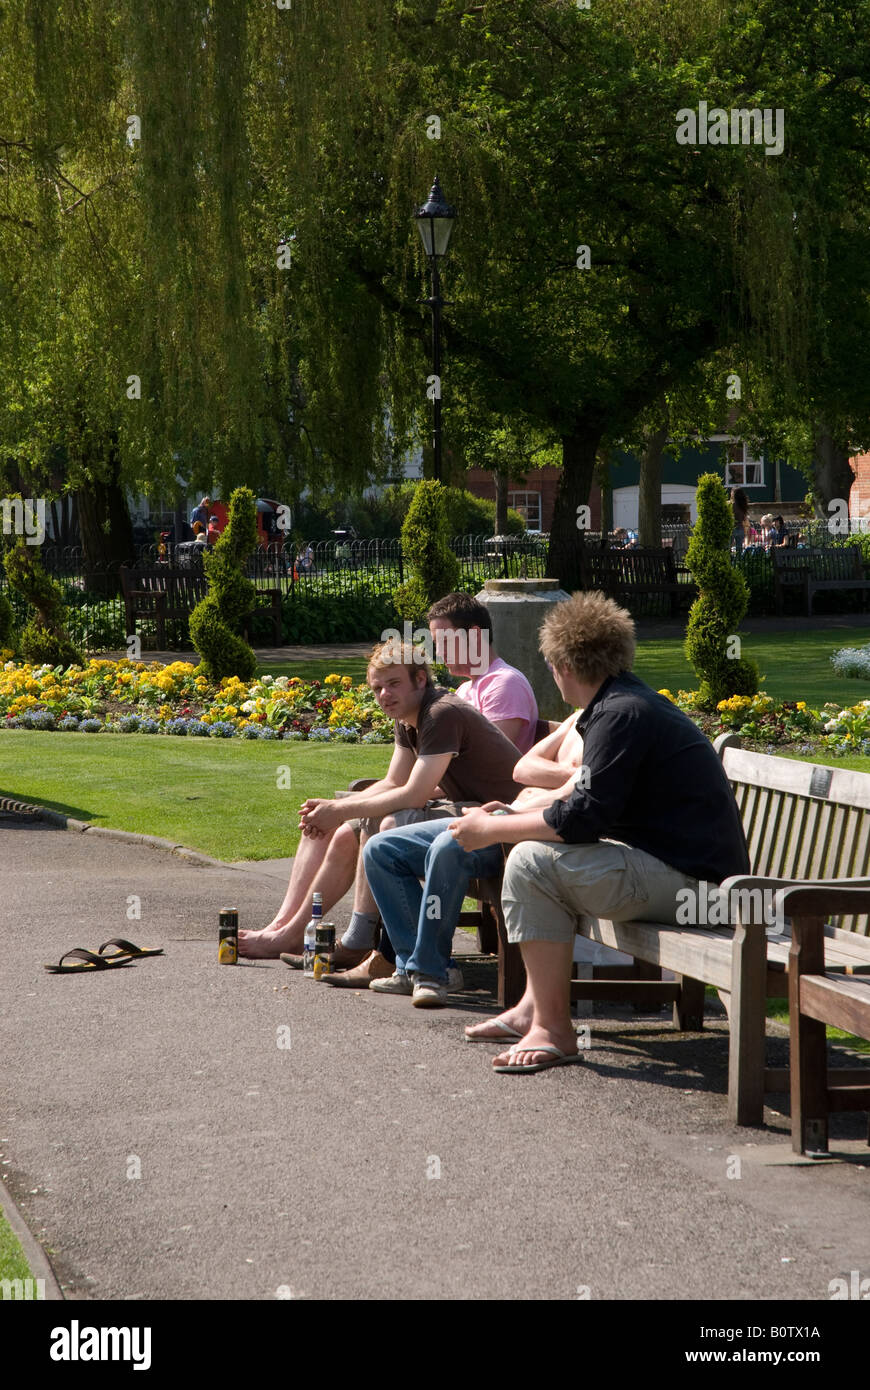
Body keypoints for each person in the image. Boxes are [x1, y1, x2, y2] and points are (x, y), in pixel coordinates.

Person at [447, 590, 750, 1071]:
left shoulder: (621, 715)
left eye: (551, 663)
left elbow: (582, 817)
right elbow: (584, 798)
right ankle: (533, 1009)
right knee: (531, 854)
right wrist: (510, 816)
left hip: (703, 888)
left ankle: (554, 1031)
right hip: (678, 871)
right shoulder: (619, 705)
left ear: (564, 664)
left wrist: (492, 829)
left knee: (529, 862)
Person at [237, 640, 523, 970]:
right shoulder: (407, 716)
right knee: (336, 827)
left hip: (498, 818)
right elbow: (392, 782)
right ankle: (285, 929)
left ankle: (361, 943)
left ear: (420, 680)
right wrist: (330, 807)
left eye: (393, 684)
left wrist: (341, 811)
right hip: (467, 807)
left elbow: (414, 794)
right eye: (377, 688)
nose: (384, 694)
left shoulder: (440, 713)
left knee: (376, 824)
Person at [427, 592, 539, 753]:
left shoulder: (505, 684)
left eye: (445, 641)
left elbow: (490, 758)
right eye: (436, 643)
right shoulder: (465, 689)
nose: (439, 652)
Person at [729, 488, 750, 554]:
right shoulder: (743, 505)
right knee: (739, 548)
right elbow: (744, 518)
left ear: (733, 494)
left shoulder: (731, 505)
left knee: (728, 547)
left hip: (732, 528)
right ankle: (739, 562)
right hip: (741, 528)